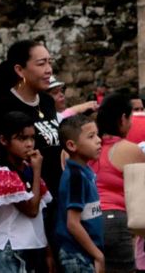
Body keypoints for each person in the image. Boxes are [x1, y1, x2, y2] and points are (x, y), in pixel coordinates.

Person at [0, 38, 64, 256]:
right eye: (41, 64)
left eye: (50, 62)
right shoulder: (3, 104)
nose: (49, 70)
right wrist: (12, 183)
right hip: (20, 209)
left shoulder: (47, 102)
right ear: (20, 69)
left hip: (52, 199)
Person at [0, 112, 51, 272]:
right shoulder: (2, 175)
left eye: (32, 138)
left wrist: (48, 252)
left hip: (32, 247)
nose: (29, 144)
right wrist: (37, 171)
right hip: (10, 250)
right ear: (4, 140)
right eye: (22, 138)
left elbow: (40, 215)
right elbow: (31, 209)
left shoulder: (29, 170)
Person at [94, 92, 145, 273]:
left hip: (87, 219)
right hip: (116, 218)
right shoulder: (129, 150)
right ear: (123, 118)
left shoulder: (84, 148)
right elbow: (141, 195)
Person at [56, 114, 106, 273]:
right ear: (71, 145)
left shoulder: (86, 172)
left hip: (85, 253)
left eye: (97, 134)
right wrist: (98, 255)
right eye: (91, 137)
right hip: (77, 255)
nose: (99, 140)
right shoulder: (75, 176)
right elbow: (73, 223)